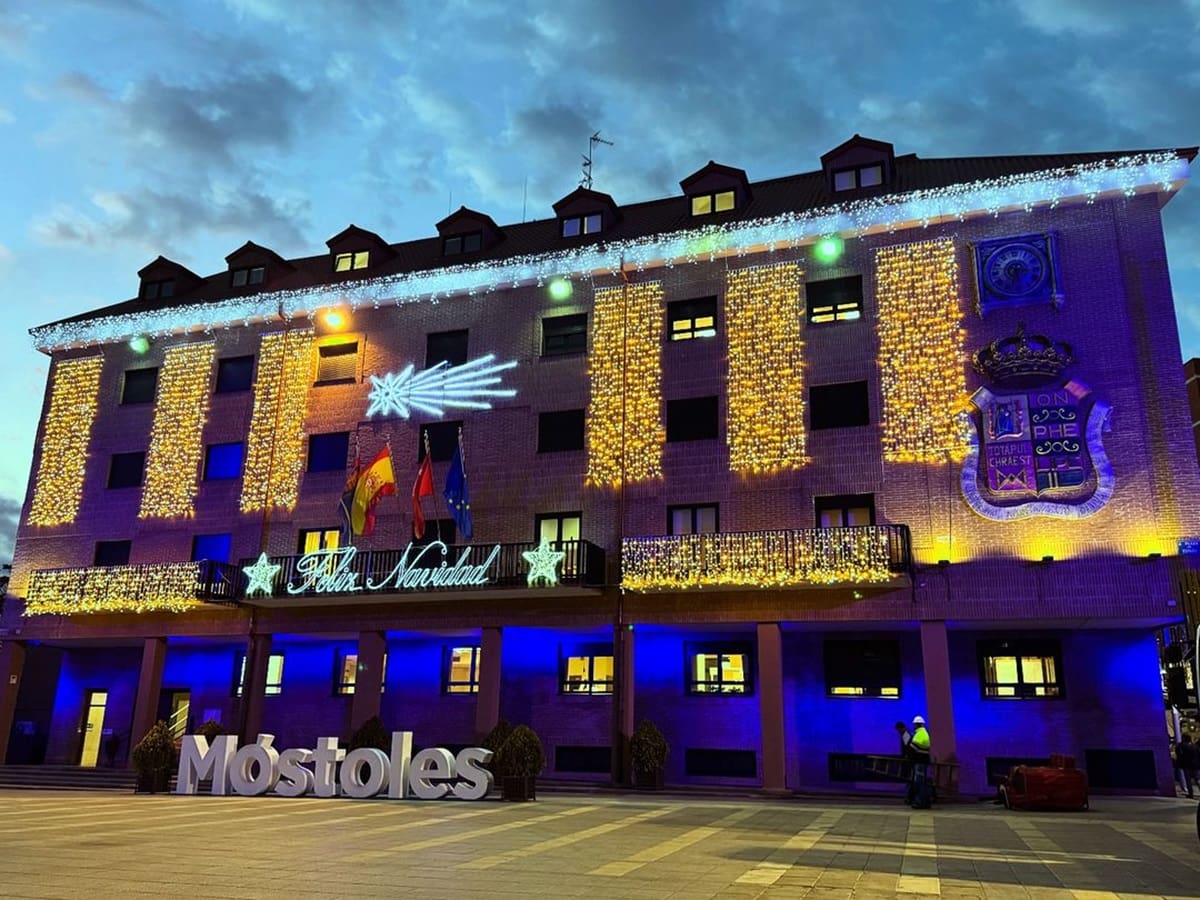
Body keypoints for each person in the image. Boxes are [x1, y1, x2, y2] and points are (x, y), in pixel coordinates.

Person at [909, 715, 932, 809]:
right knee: (922, 782)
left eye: (914, 724)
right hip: (923, 761)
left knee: (919, 783)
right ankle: (924, 802)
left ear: (916, 724)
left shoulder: (919, 735)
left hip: (919, 762)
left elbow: (913, 748)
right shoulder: (925, 733)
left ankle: (919, 802)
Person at [1178, 735, 1199, 799]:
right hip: (1195, 765)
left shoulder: (1182, 746)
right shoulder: (1194, 746)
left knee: (1188, 780)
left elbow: (1179, 754)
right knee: (1197, 779)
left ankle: (1191, 794)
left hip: (1186, 765)